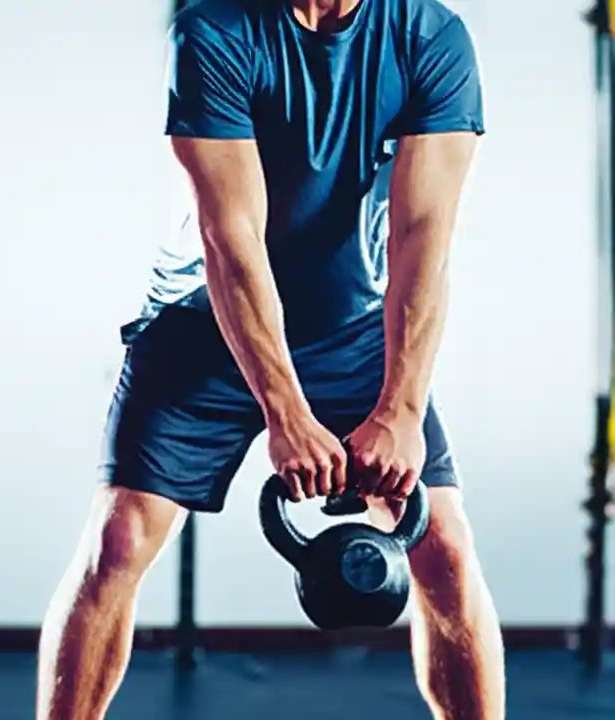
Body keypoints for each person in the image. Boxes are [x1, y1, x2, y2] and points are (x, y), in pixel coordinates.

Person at [36, 0, 505, 718]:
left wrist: (402, 410)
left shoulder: (429, 37)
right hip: (205, 322)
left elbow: (423, 237)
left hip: (354, 330)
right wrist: (286, 413)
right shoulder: (215, 33)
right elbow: (232, 240)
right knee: (119, 538)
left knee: (443, 545)